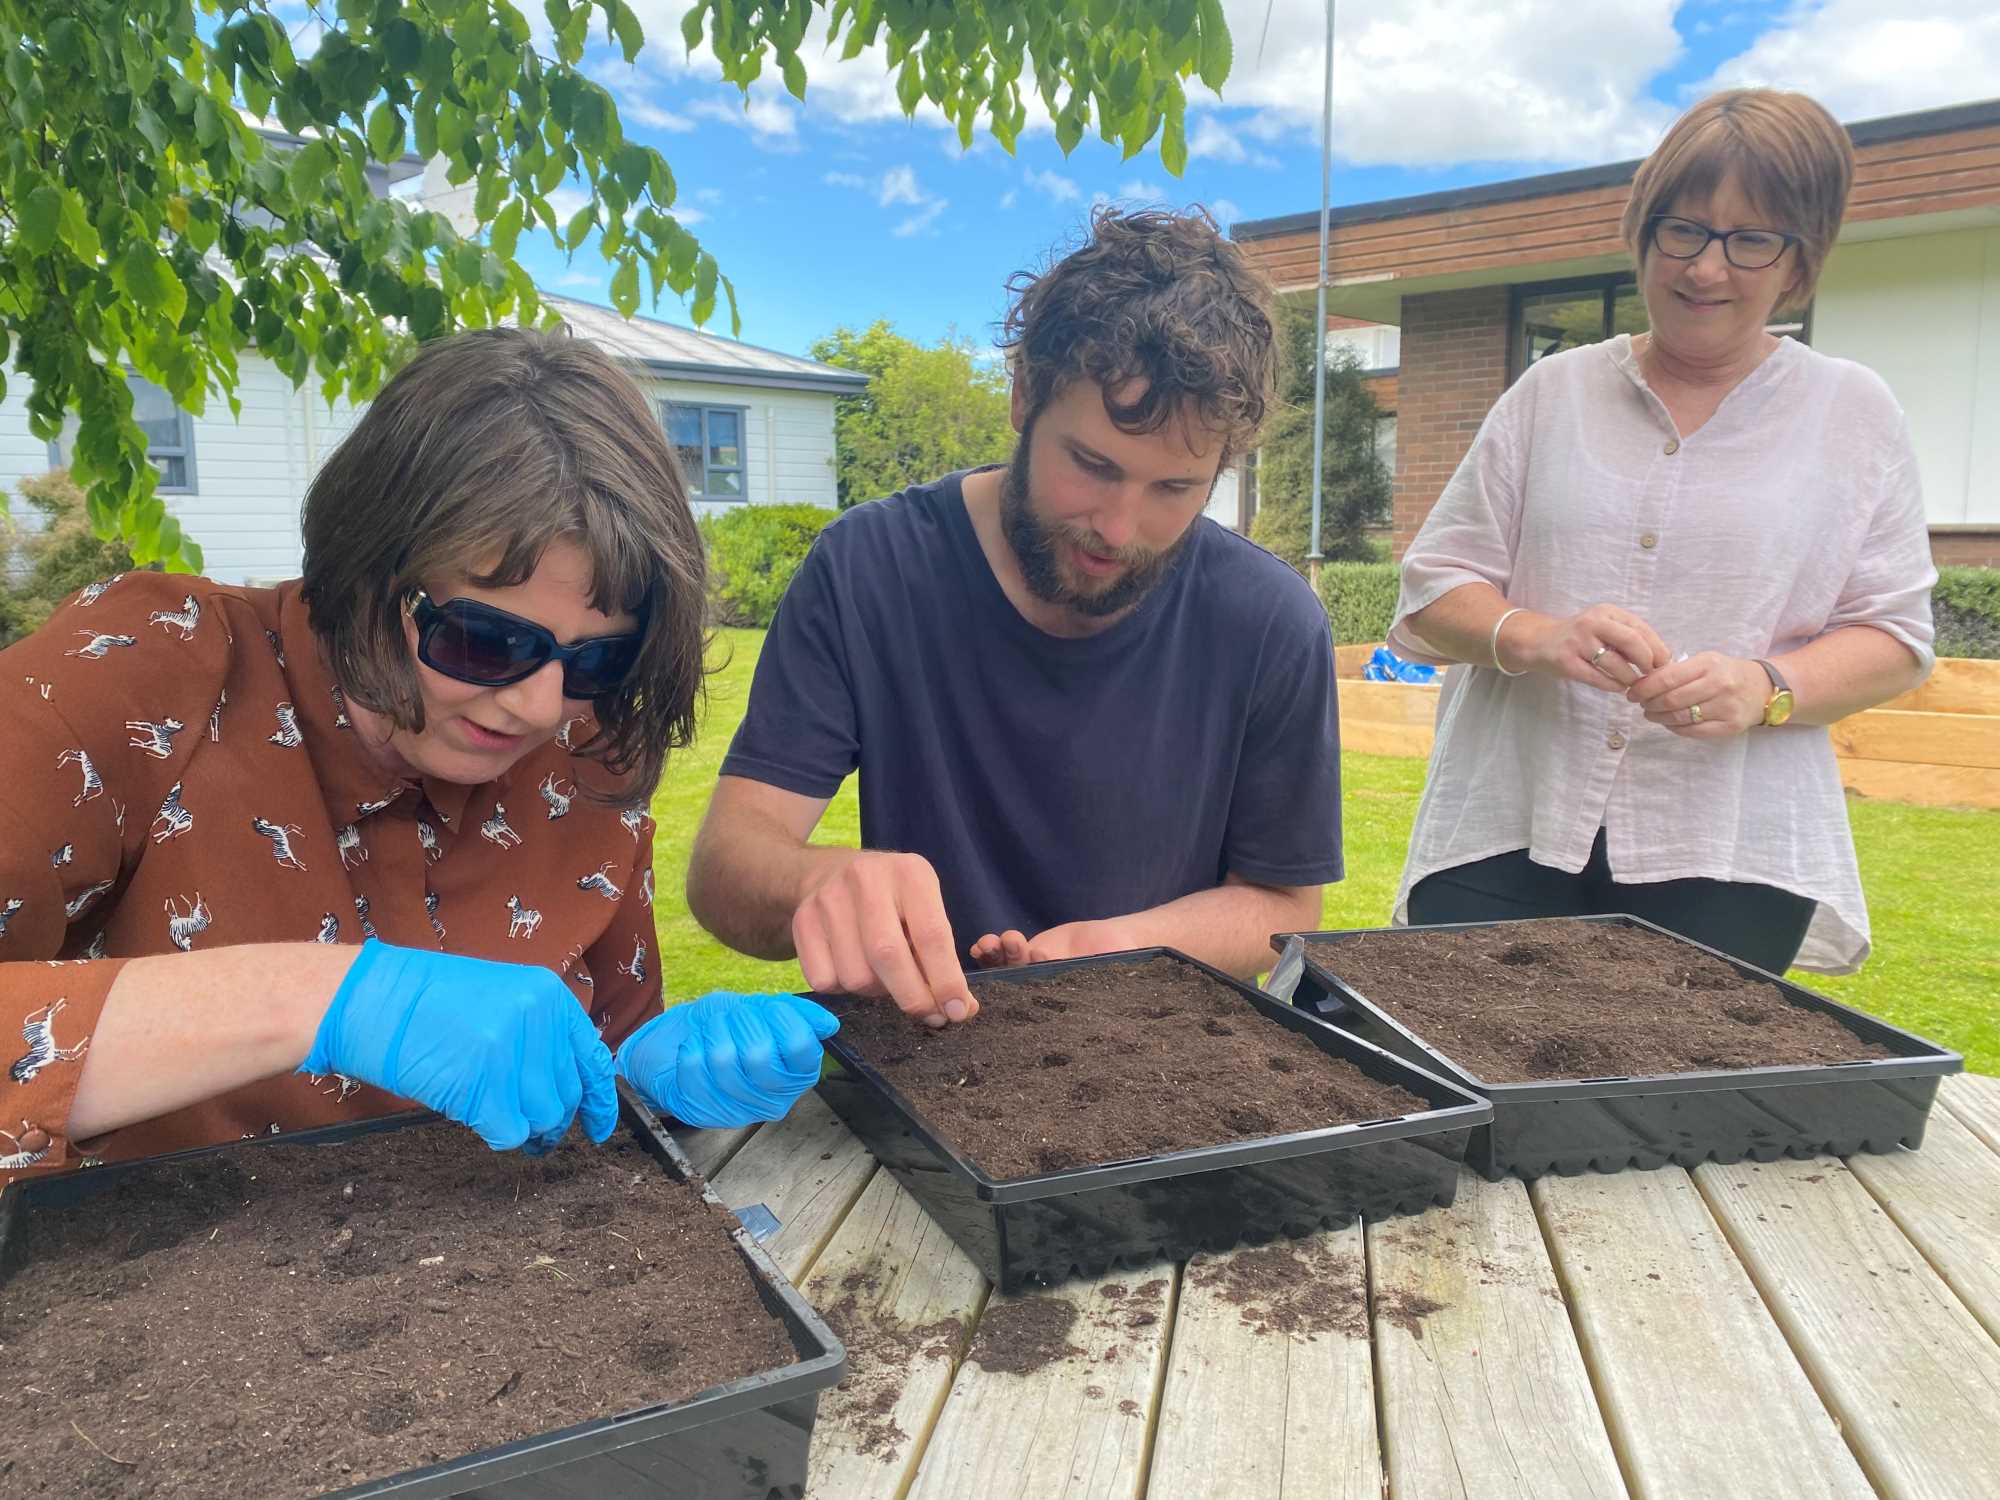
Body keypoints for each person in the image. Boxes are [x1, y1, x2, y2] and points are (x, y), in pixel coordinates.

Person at [0, 328, 835, 1182]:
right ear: (367, 572)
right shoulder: (147, 672)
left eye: (598, 660)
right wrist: (316, 1000)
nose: (540, 706)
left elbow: (592, 1091)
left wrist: (651, 1081)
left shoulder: (584, 756)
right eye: (485, 639)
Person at [686, 208, 1342, 1025]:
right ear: (1024, 394)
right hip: (925, 1050)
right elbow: (726, 868)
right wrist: (820, 881)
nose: (1118, 528)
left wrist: (1119, 948)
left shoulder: (1270, 620)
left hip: (1169, 1058)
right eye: (1092, 465)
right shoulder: (871, 569)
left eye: (1174, 488)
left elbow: (1284, 904)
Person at [1386, 88, 1936, 975]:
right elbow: (1431, 592)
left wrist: (1768, 686)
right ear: (1643, 232)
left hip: (1729, 848)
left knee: (1682, 1074)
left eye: (1751, 240)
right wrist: (1538, 636)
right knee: (1455, 1059)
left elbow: (1897, 636)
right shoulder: (1551, 393)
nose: (1706, 268)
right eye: (1683, 230)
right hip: (1508, 823)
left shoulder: (1853, 412)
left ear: (1800, 261)